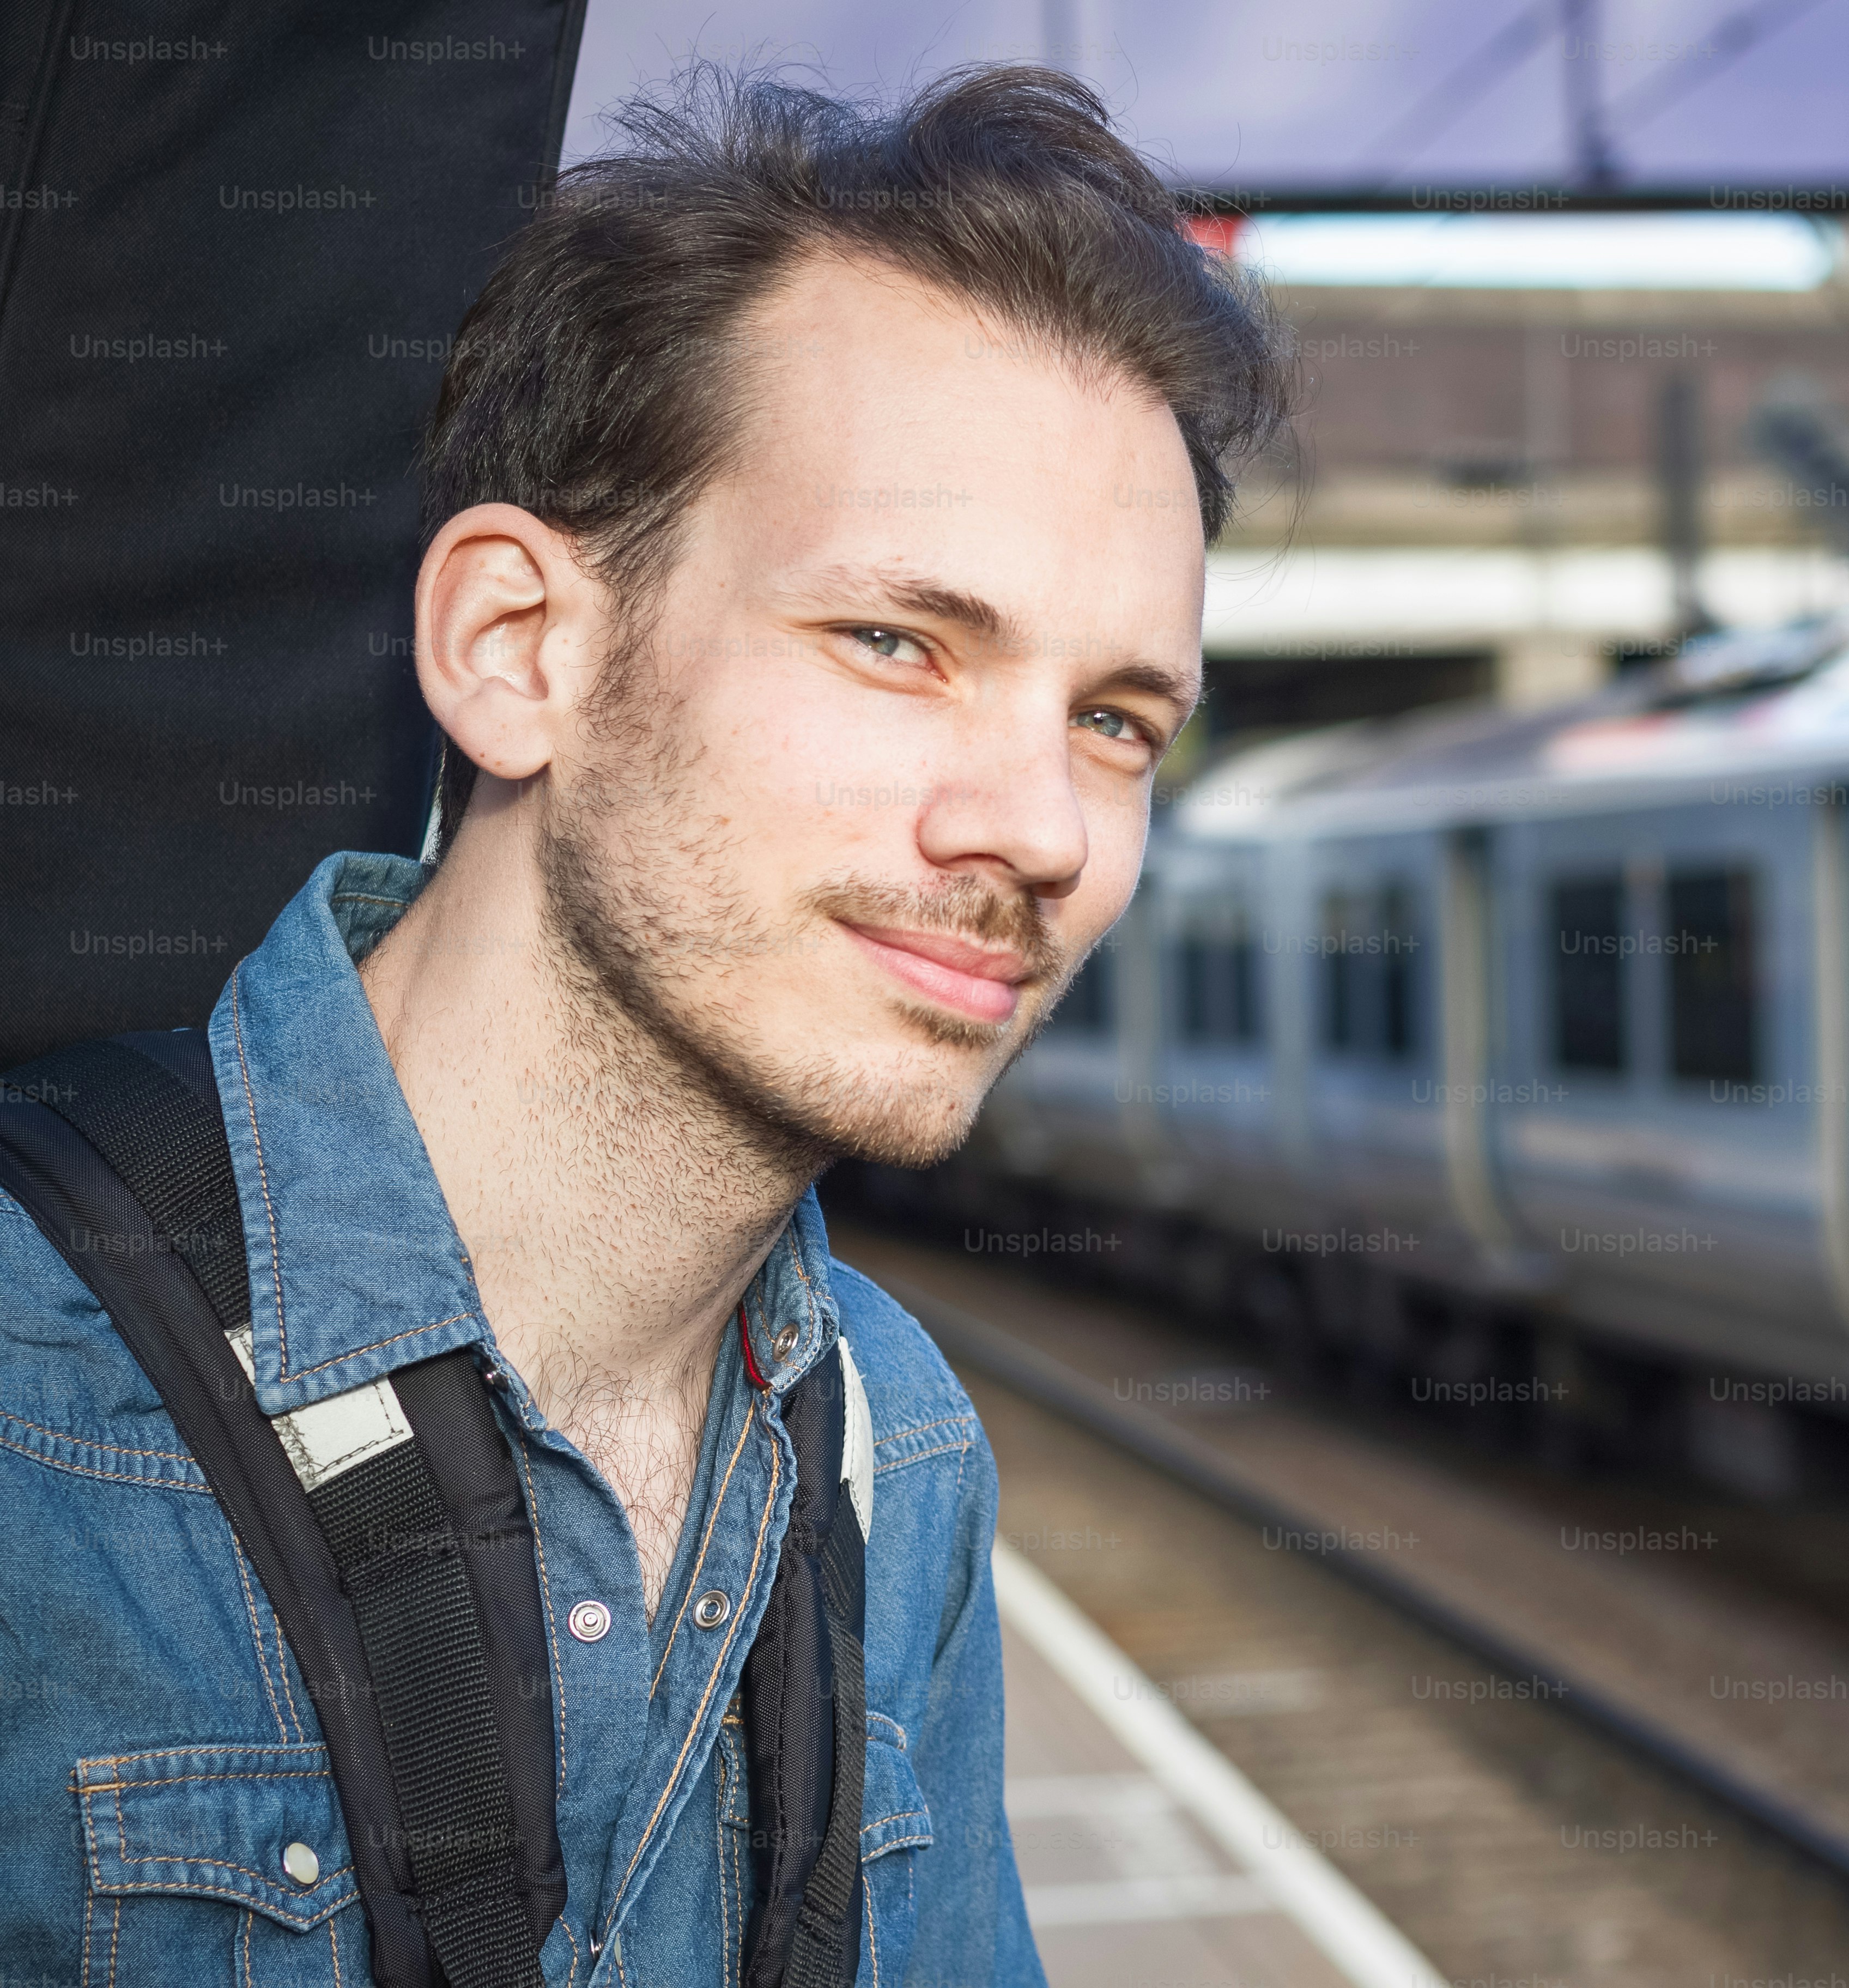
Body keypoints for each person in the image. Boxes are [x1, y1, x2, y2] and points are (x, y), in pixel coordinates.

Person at [0, 62, 1281, 1985]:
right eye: (899, 643)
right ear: (523, 651)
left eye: (1114, 721)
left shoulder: (889, 1449)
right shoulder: (29, 1400)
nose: (1038, 826)